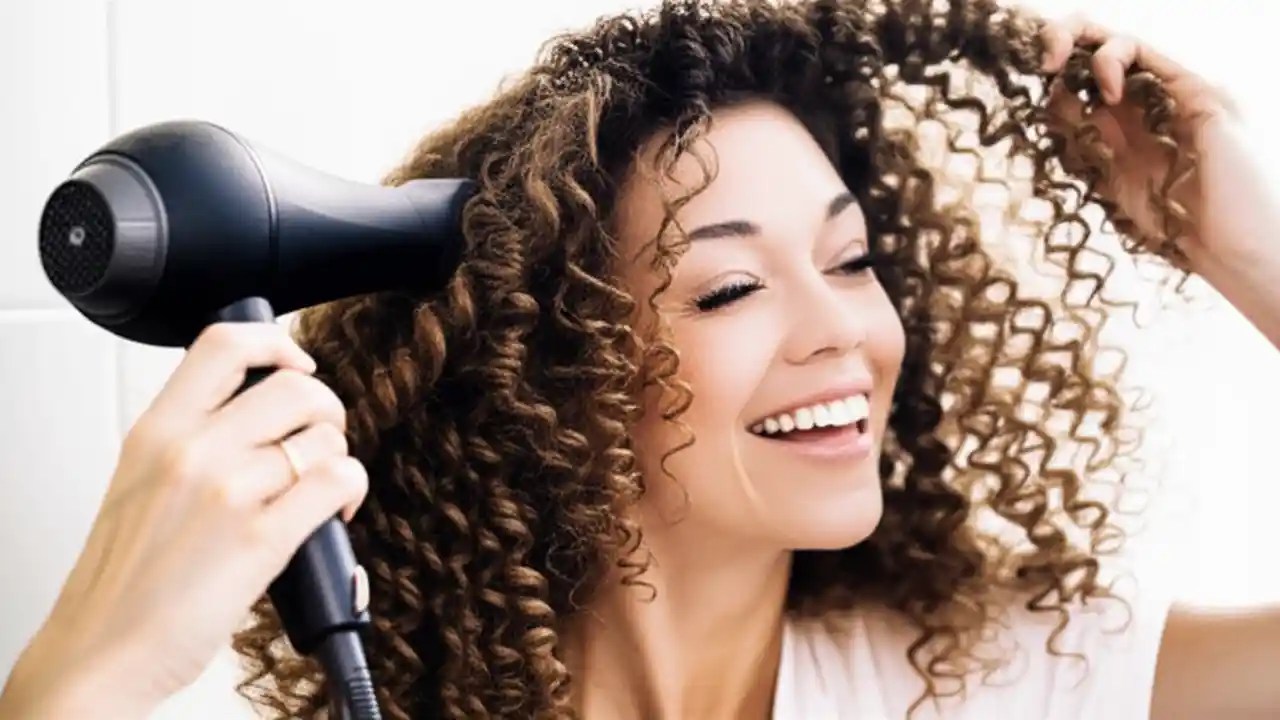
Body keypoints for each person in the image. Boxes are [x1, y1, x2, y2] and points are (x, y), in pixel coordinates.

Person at [2, 0, 1278, 718]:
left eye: (848, 261)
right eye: (730, 285)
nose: (841, 328)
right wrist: (95, 663)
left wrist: (1248, 250)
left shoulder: (1018, 681)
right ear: (554, 371)